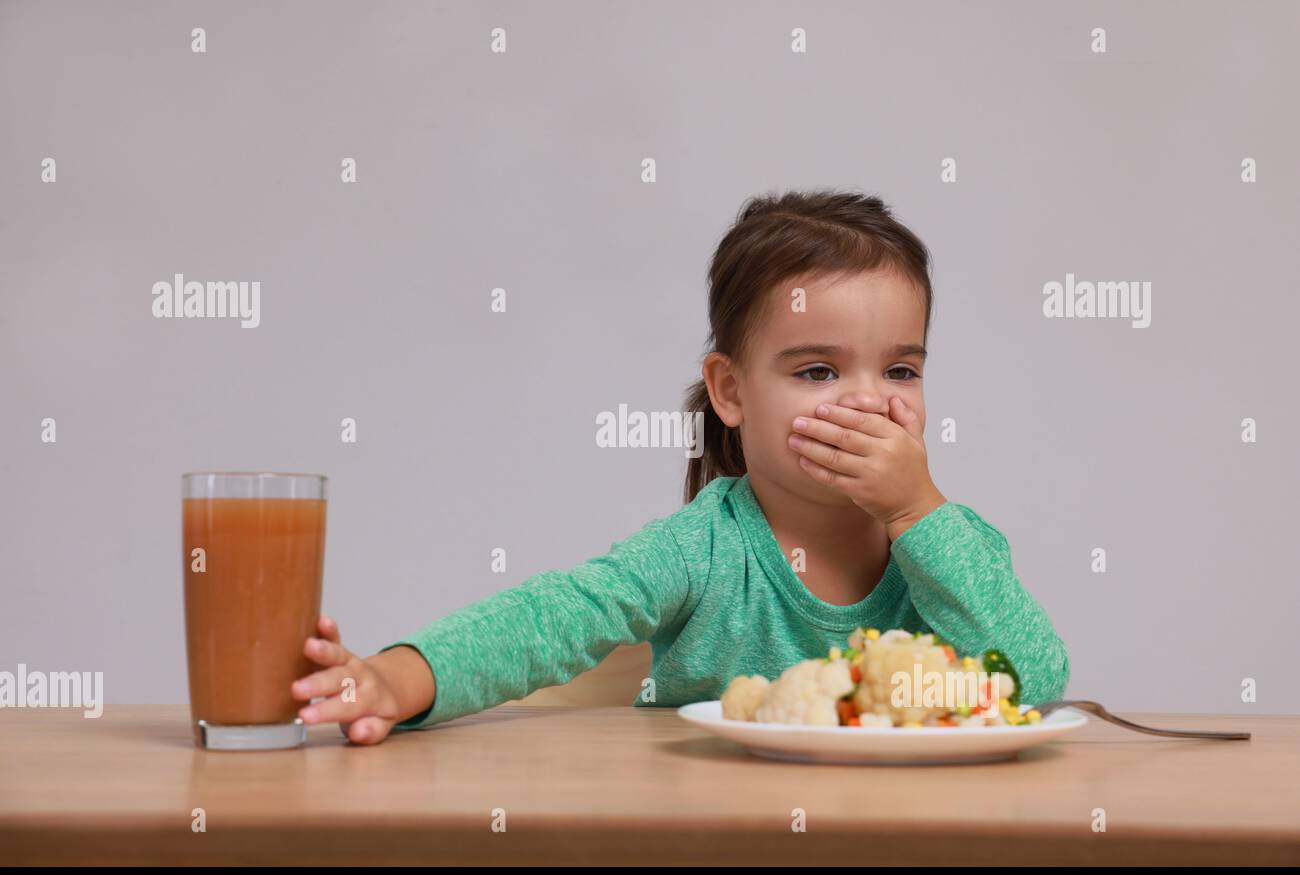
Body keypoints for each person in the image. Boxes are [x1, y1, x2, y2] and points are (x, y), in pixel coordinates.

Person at [291, 189, 1070, 745]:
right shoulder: (701, 550)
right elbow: (551, 619)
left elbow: (1035, 678)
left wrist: (913, 513)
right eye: (819, 372)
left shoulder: (947, 542)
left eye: (900, 371)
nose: (869, 403)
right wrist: (398, 678)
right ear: (731, 390)